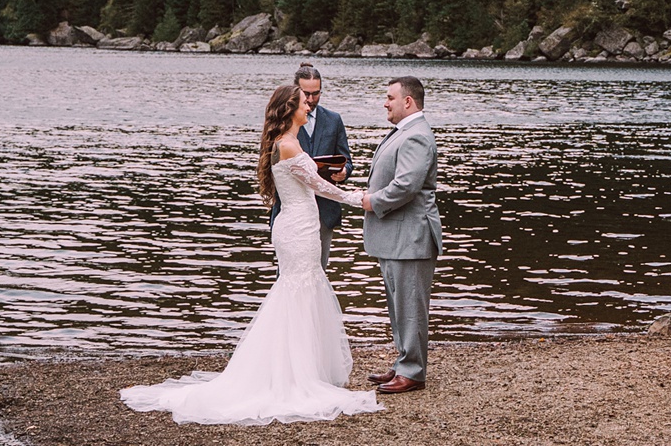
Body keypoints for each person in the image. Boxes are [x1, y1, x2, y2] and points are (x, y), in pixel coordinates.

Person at [119, 84, 382, 425]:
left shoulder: (288, 143)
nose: (309, 106)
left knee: (301, 290)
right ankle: (293, 376)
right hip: (298, 230)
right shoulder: (287, 145)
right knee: (298, 292)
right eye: (304, 102)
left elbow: (308, 182)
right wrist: (357, 198)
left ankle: (301, 369)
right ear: (290, 110)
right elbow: (320, 187)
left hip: (297, 225)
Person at [358, 76, 440, 394]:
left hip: (412, 236)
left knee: (411, 306)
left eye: (389, 97)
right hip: (396, 237)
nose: (385, 102)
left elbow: (407, 185)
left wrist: (372, 201)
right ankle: (404, 362)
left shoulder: (417, 135)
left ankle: (414, 372)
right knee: (398, 306)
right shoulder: (404, 132)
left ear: (408, 101)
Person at [272, 63, 350, 267]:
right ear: (295, 91)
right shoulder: (281, 126)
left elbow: (346, 158)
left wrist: (344, 171)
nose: (311, 100)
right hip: (293, 214)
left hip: (324, 211)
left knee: (318, 272)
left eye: (316, 93)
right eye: (306, 94)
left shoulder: (333, 120)